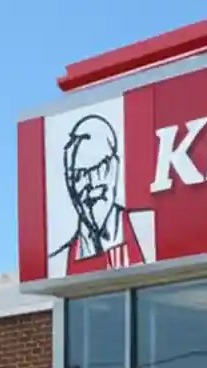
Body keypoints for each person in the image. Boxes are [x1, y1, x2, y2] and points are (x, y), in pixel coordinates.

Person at [51, 114, 147, 274]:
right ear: (69, 185)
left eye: (97, 169)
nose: (90, 185)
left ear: (114, 168)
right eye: (78, 175)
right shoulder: (58, 265)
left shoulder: (146, 231)